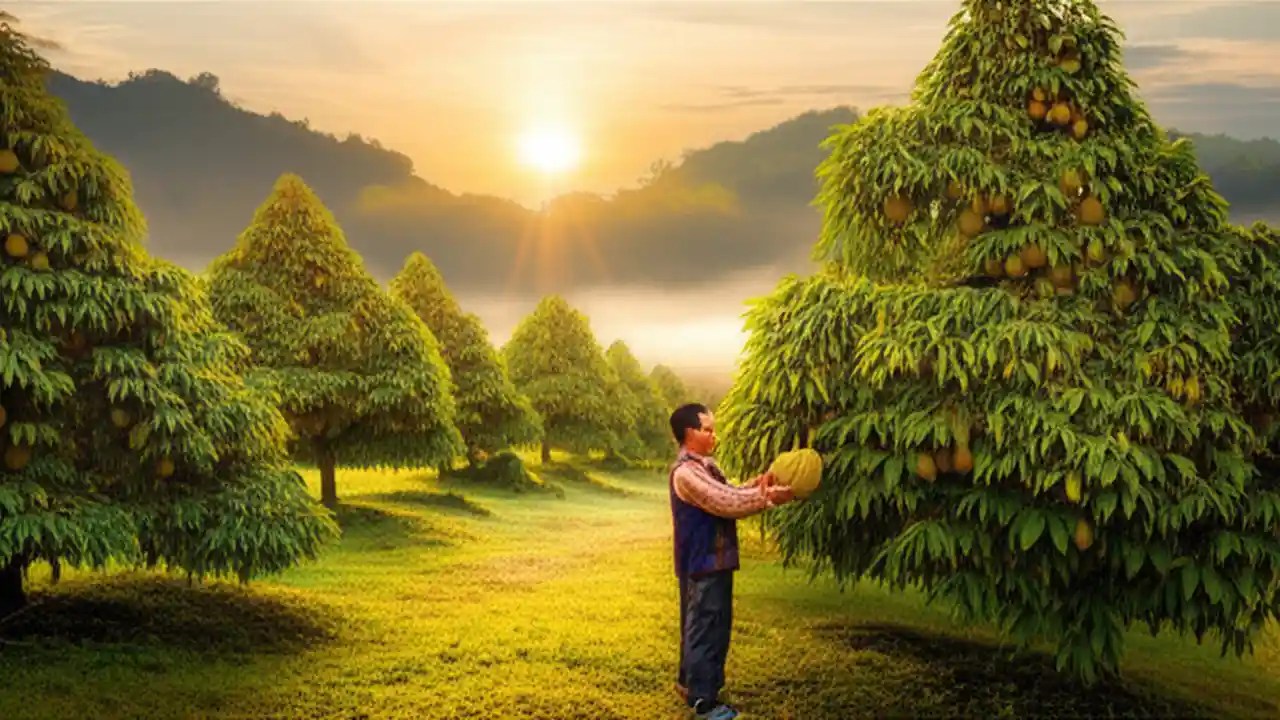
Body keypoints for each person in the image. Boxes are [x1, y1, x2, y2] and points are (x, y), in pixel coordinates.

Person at [668, 402, 795, 719]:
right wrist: (767, 498)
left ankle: (691, 685)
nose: (714, 435)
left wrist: (757, 486)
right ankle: (703, 702)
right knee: (705, 628)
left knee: (709, 625)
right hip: (703, 561)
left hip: (715, 559)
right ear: (689, 433)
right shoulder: (686, 473)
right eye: (707, 429)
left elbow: (730, 491)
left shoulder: (705, 467)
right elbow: (724, 502)